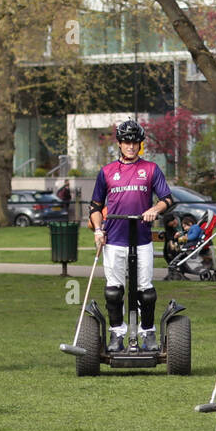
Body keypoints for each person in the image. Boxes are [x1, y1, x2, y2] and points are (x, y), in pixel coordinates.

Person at [88, 120, 175, 352]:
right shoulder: (106, 172)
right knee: (114, 291)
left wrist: (154, 210)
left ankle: (147, 333)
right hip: (114, 239)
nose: (130, 145)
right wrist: (98, 230)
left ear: (140, 144)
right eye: (126, 141)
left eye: (135, 141)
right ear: (119, 143)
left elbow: (167, 199)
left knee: (146, 292)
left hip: (142, 240)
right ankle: (117, 335)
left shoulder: (151, 169)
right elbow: (95, 207)